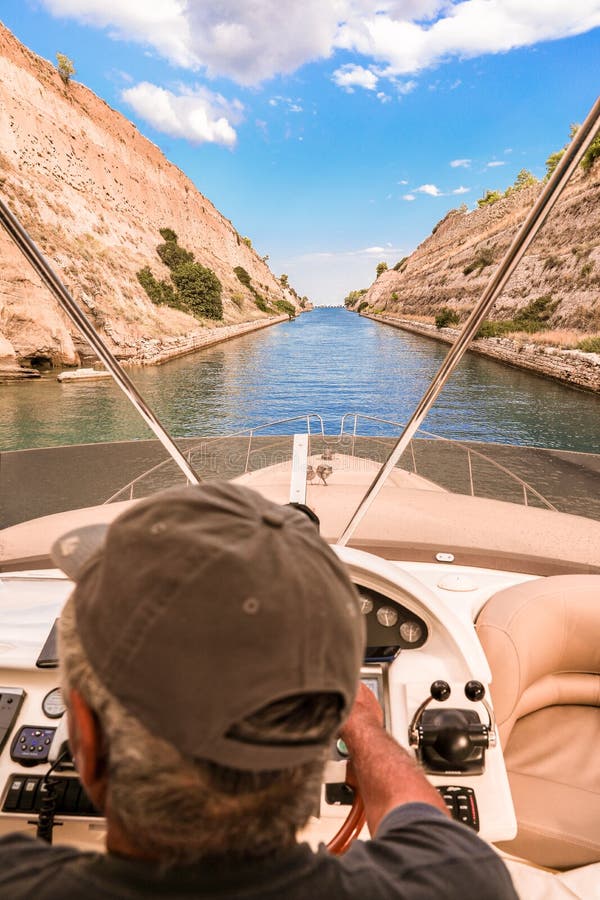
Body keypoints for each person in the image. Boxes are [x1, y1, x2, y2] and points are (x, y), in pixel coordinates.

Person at [0, 482, 517, 898]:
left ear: (86, 741)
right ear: (314, 747)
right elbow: (428, 827)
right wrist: (363, 727)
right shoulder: (463, 885)